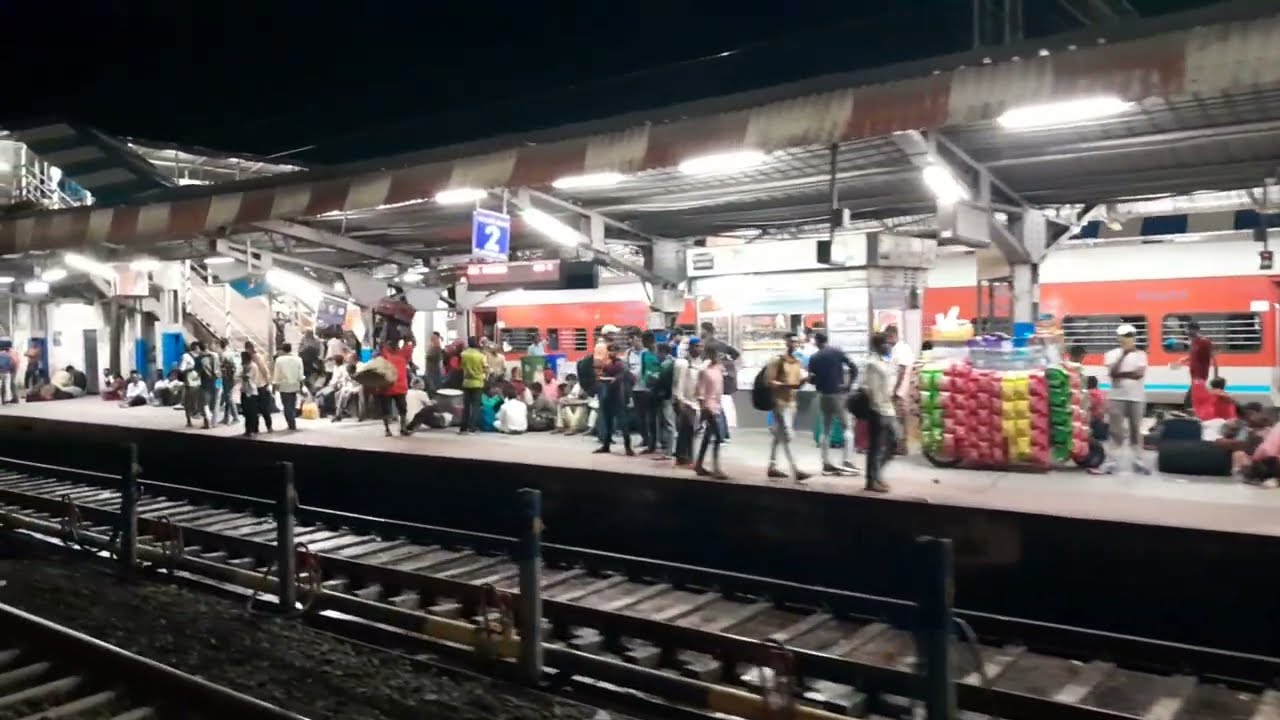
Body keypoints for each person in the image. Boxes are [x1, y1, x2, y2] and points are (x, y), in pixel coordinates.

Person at [1100, 323, 1150, 474]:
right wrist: (1124, 355)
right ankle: (1111, 462)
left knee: (1136, 431)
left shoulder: (1141, 355)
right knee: (1115, 432)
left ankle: (1138, 461)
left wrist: (1121, 375)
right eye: (1124, 336)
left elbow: (1138, 374)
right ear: (1118, 337)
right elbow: (1113, 373)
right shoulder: (1111, 354)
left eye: (1130, 336)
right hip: (1116, 397)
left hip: (1136, 398)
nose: (1127, 339)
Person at [808, 331, 859, 476]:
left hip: (823, 395)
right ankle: (847, 461)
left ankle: (826, 464)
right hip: (838, 394)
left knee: (826, 429)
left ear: (816, 341)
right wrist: (848, 385)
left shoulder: (814, 358)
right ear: (827, 340)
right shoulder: (837, 352)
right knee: (847, 428)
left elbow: (812, 380)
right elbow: (853, 368)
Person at [765, 333, 810, 482]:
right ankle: (796, 469)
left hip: (791, 402)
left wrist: (804, 381)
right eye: (791, 342)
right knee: (787, 435)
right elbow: (769, 382)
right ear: (786, 343)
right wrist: (787, 385)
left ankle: (772, 466)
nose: (794, 344)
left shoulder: (797, 362)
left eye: (796, 342)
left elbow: (797, 383)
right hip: (780, 402)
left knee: (779, 435)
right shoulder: (777, 360)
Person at [862, 332, 897, 493]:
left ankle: (877, 474)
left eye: (888, 343)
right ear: (877, 346)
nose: (888, 346)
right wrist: (878, 409)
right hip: (878, 411)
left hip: (889, 408)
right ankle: (871, 480)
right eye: (885, 343)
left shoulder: (885, 361)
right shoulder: (872, 364)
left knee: (892, 444)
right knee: (875, 447)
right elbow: (871, 390)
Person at [700, 322, 741, 443]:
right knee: (718, 406)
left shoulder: (710, 345)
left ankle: (720, 435)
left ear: (706, 331)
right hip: (720, 377)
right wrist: (727, 361)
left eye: (702, 330)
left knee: (715, 407)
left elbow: (705, 362)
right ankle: (723, 433)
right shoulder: (721, 344)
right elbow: (736, 354)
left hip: (713, 378)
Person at [694, 346, 728, 478]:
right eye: (715, 353)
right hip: (709, 407)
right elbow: (700, 392)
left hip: (717, 405)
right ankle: (716, 467)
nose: (718, 355)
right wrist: (703, 409)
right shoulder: (704, 370)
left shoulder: (719, 368)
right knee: (719, 437)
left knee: (708, 436)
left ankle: (699, 463)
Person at [671, 338, 705, 467]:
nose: (699, 349)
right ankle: (683, 456)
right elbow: (678, 383)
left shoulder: (699, 362)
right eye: (696, 346)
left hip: (694, 401)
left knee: (690, 430)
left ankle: (686, 455)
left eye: (701, 346)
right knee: (686, 429)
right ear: (690, 347)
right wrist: (679, 401)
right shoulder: (682, 363)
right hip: (684, 401)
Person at [594, 345, 634, 455]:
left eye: (614, 350)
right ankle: (607, 446)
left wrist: (607, 378)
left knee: (622, 423)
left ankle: (628, 447)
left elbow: (618, 379)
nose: (612, 352)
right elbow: (601, 376)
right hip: (609, 396)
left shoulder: (620, 364)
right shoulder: (609, 364)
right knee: (609, 423)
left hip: (618, 396)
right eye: (610, 350)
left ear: (617, 351)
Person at [626, 332, 659, 453]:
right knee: (639, 416)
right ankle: (645, 438)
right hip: (635, 388)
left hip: (646, 388)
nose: (635, 342)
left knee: (650, 416)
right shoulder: (629, 353)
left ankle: (653, 442)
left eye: (636, 339)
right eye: (632, 340)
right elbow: (627, 367)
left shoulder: (647, 353)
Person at [1174, 320, 1217, 409]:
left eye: (1188, 329)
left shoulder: (1204, 342)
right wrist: (1186, 359)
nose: (1186, 332)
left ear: (1195, 330)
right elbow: (1195, 354)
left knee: (1189, 402)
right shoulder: (1194, 342)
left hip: (1200, 376)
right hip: (1194, 377)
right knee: (1193, 402)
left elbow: (1210, 355)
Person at [377, 334, 415, 437]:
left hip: (397, 388)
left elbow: (412, 343)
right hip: (388, 387)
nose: (393, 345)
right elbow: (381, 344)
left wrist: (408, 335)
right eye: (390, 343)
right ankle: (388, 429)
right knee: (388, 410)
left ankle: (402, 428)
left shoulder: (402, 353)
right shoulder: (386, 354)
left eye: (394, 343)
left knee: (402, 409)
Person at [884, 325, 913, 454]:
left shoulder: (901, 349)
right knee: (897, 418)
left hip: (900, 391)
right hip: (898, 389)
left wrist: (896, 390)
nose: (887, 342)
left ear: (892, 336)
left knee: (898, 419)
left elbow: (901, 371)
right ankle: (899, 445)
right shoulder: (897, 348)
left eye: (888, 338)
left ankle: (901, 447)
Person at [650, 342, 676, 460]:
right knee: (666, 423)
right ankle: (668, 449)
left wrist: (655, 379)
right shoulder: (668, 363)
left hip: (666, 397)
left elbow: (664, 382)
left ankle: (669, 451)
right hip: (665, 396)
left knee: (669, 423)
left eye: (657, 352)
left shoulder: (668, 365)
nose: (656, 354)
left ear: (663, 352)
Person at [272, 342, 305, 431]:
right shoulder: (298, 359)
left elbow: (276, 375)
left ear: (283, 350)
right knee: (292, 404)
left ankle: (291, 423)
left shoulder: (279, 360)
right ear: (291, 349)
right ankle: (292, 422)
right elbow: (301, 375)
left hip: (284, 386)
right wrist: (302, 386)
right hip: (295, 385)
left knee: (286, 405)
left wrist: (274, 388)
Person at [459, 337, 487, 433]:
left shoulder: (463, 354)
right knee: (475, 406)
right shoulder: (481, 356)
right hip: (478, 383)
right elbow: (486, 368)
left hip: (466, 382)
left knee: (466, 406)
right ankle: (472, 427)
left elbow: (461, 366)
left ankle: (463, 426)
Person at [245, 341, 273, 433]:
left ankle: (268, 426)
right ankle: (257, 428)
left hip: (260, 385)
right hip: (256, 386)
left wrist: (268, 381)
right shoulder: (250, 359)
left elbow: (264, 369)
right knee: (256, 409)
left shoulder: (256, 357)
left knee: (263, 408)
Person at [179, 342, 207, 429]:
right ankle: (188, 421)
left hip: (199, 382)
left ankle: (203, 420)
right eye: (199, 348)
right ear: (196, 348)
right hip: (190, 383)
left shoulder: (201, 356)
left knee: (200, 402)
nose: (200, 350)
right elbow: (181, 369)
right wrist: (191, 368)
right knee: (189, 402)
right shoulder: (186, 356)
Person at [218, 339, 240, 425]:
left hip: (227, 377)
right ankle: (226, 417)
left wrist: (218, 382)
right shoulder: (233, 353)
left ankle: (235, 417)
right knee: (228, 397)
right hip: (234, 377)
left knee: (229, 397)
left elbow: (221, 368)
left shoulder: (223, 354)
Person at [239, 350, 261, 437]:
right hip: (245, 390)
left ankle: (251, 429)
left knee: (251, 412)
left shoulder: (252, 366)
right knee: (246, 411)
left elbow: (247, 377)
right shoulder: (245, 366)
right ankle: (249, 429)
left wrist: (242, 373)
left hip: (251, 391)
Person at [0, 339, 17, 404]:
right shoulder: (9, 355)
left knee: (1, 386)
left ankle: (3, 399)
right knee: (7, 385)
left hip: (0, 372)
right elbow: (12, 363)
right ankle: (8, 398)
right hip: (7, 372)